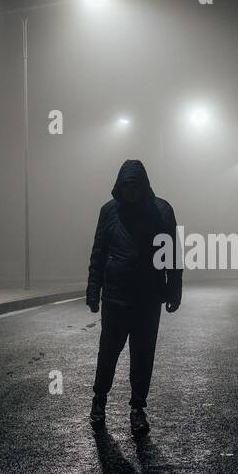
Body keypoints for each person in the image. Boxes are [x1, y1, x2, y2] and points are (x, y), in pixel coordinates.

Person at [86, 159, 182, 436]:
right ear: (120, 185)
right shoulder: (109, 212)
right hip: (116, 298)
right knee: (108, 354)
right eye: (126, 185)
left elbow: (172, 254)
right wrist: (94, 290)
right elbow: (99, 252)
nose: (130, 191)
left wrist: (174, 289)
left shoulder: (162, 211)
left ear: (143, 185)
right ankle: (99, 400)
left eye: (135, 185)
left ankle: (138, 407)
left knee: (143, 356)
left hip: (148, 299)